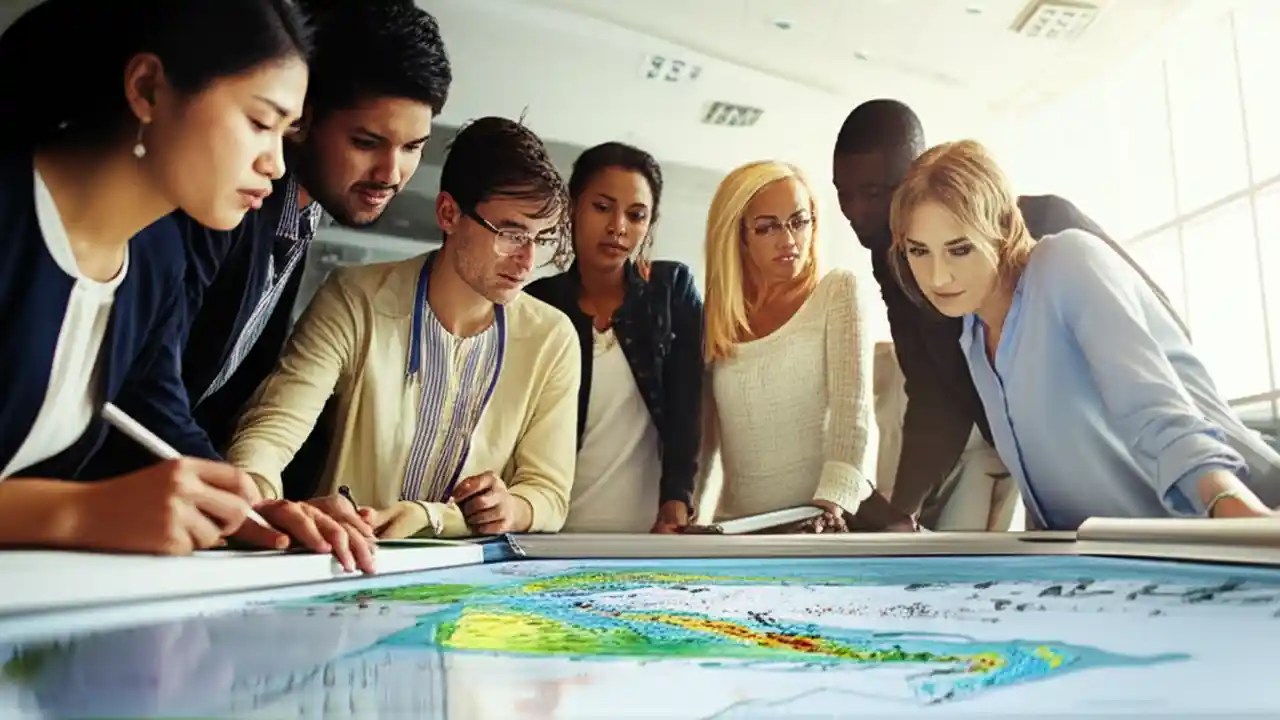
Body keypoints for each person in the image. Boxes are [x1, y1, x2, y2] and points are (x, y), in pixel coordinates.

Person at [0, 0, 374, 571]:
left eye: (286, 132)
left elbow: (161, 422)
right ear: (148, 89)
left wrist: (252, 507)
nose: (275, 163)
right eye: (258, 123)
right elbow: (79, 504)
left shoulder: (152, 258)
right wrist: (78, 512)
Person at [89, 0, 453, 485]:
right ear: (304, 120)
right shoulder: (219, 200)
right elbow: (149, 382)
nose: (391, 174)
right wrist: (239, 500)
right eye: (366, 142)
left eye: (413, 148)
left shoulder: (303, 211)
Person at [832, 98, 1186, 531]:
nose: (856, 213)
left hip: (1151, 473)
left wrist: (1207, 479)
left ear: (915, 177)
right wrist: (900, 515)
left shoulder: (1054, 232)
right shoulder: (900, 268)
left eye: (873, 193)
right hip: (1050, 493)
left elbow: (1162, 337)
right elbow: (934, 396)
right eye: (842, 195)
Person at [889, 139, 1280, 529]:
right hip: (1138, 560)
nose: (937, 277)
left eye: (959, 249)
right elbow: (1047, 490)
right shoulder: (973, 339)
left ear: (1002, 228)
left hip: (1241, 517)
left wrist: (1235, 508)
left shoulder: (1066, 262)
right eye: (919, 251)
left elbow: (1157, 414)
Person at [225, 117, 581, 539]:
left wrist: (508, 509)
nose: (527, 262)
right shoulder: (356, 298)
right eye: (510, 233)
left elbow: (548, 497)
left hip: (465, 580)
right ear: (449, 213)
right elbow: (273, 427)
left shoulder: (551, 338)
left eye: (543, 240)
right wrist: (258, 500)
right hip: (350, 552)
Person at [526, 142, 704, 533]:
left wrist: (678, 499)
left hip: (647, 534)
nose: (618, 227)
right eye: (602, 207)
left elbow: (687, 408)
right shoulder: (537, 304)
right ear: (573, 207)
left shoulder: (671, 290)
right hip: (549, 528)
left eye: (636, 215)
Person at [697, 160, 876, 532]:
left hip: (821, 529)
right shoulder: (718, 317)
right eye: (767, 227)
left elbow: (852, 414)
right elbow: (705, 442)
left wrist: (829, 509)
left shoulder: (837, 291)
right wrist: (689, 513)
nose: (789, 240)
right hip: (737, 531)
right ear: (739, 236)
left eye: (799, 221)